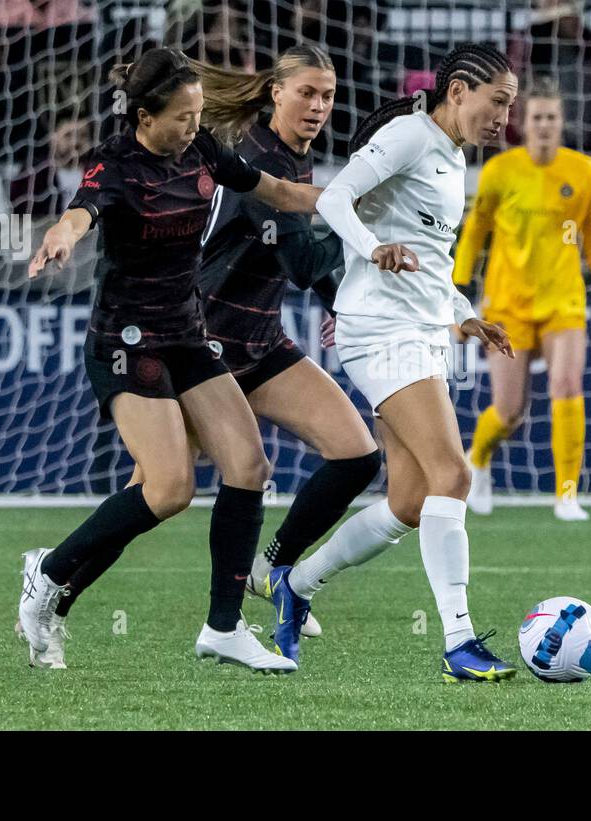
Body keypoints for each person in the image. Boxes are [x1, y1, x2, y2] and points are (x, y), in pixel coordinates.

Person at [18, 47, 321, 672]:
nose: (193, 126)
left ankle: (225, 627)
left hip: (186, 334)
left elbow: (277, 192)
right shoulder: (118, 163)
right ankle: (47, 574)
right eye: (183, 116)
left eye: (199, 114)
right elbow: (83, 211)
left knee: (247, 463)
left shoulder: (204, 149)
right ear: (145, 116)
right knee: (171, 487)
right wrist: (61, 234)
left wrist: (354, 201)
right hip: (127, 343)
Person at [125, 44, 379, 658]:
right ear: (276, 94)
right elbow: (302, 260)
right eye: (306, 93)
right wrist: (363, 227)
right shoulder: (259, 161)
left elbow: (302, 262)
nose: (318, 106)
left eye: (327, 95)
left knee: (355, 455)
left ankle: (274, 571)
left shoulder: (295, 155)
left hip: (259, 341)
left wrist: (337, 300)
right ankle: (56, 573)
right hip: (205, 339)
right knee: (159, 491)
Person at [282, 43, 520, 682]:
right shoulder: (410, 136)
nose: (503, 117)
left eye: (510, 106)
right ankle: (460, 644)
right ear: (460, 91)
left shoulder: (451, 157)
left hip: (422, 331)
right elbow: (334, 201)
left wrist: (463, 313)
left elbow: (433, 264)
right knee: (455, 475)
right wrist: (371, 247)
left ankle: (296, 584)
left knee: (413, 500)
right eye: (498, 102)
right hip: (381, 331)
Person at [452, 76, 591, 522]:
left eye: (552, 118)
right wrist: (460, 290)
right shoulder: (499, 172)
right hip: (507, 304)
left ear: (562, 122)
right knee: (509, 411)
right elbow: (474, 235)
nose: (544, 125)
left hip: (564, 301)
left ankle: (566, 494)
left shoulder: (583, 171)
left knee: (568, 386)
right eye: (537, 117)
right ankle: (478, 463)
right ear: (522, 122)